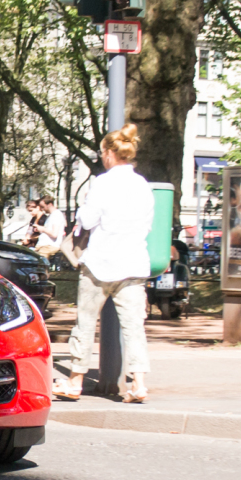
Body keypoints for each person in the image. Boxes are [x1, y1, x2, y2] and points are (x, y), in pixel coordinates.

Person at [56, 124, 154, 404]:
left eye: (102, 152)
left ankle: (74, 381)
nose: (101, 157)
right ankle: (138, 384)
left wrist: (85, 206)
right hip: (133, 264)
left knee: (85, 323)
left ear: (111, 153)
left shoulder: (102, 183)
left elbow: (87, 221)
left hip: (99, 263)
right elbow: (146, 226)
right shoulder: (143, 186)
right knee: (134, 327)